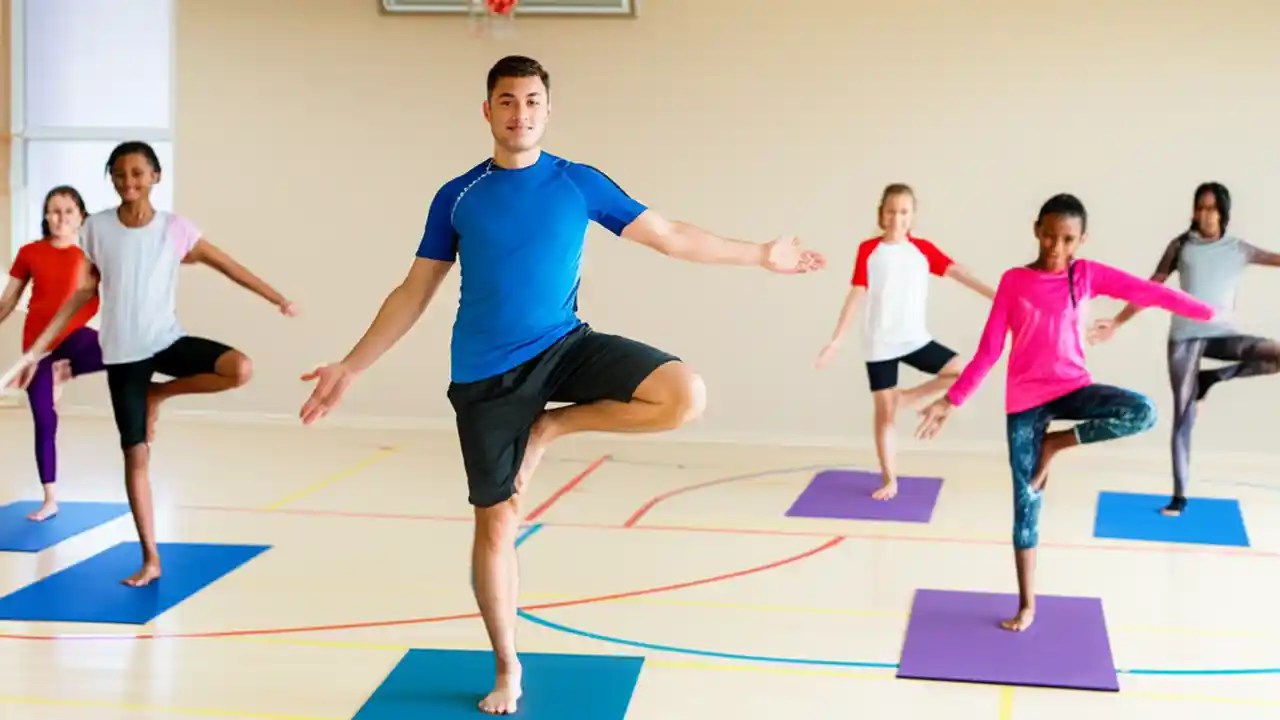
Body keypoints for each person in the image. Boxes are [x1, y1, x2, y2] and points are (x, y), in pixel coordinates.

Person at [297, 55, 825, 715]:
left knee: (684, 394)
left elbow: (668, 236)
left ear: (549, 110)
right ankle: (507, 665)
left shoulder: (579, 183)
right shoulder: (458, 195)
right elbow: (414, 291)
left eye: (533, 100)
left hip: (563, 346)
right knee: (498, 523)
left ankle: (554, 425)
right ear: (487, 111)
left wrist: (760, 255)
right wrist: (352, 364)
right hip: (486, 375)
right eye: (508, 101)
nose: (521, 112)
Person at [915, 193, 1215, 632]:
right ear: (1037, 229)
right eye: (1050, 235)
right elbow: (989, 351)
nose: (1056, 247)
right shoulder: (1014, 281)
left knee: (1143, 411)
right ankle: (1026, 606)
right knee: (1026, 503)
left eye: (1068, 239)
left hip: (1073, 389)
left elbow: (1147, 291)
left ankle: (1057, 443)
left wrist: (1206, 311)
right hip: (1025, 401)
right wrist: (951, 399)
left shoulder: (1086, 275)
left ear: (1082, 239)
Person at [12, 141, 297, 587]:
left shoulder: (175, 229)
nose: (129, 182)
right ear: (111, 178)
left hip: (166, 341)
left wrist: (275, 296)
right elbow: (83, 294)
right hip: (123, 354)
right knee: (136, 457)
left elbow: (227, 265)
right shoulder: (97, 229)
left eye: (138, 173)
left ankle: (159, 393)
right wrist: (37, 350)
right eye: (120, 174)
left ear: (155, 177)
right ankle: (150, 558)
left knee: (240, 368)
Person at [1089, 182, 1280, 516]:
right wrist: (1119, 321)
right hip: (1185, 337)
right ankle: (1179, 497)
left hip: (1223, 334)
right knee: (1183, 413)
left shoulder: (1239, 249)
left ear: (1223, 212)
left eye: (1211, 208)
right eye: (1200, 207)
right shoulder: (1180, 246)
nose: (1204, 214)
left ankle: (1213, 378)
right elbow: (1151, 287)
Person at [816, 183, 995, 500]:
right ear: (881, 215)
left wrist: (998, 297)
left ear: (912, 216)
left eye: (903, 212)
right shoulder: (869, 250)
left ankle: (907, 398)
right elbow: (856, 295)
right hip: (879, 341)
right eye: (891, 212)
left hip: (914, 339)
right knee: (884, 416)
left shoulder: (923, 250)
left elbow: (960, 274)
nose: (897, 219)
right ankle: (889, 479)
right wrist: (836, 340)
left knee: (962, 370)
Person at [0, 185, 103, 521]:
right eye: (53, 210)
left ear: (80, 216)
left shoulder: (92, 255)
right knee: (45, 421)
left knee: (113, 347)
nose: (60, 217)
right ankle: (49, 498)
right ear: (45, 215)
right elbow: (10, 299)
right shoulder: (30, 252)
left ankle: (67, 368)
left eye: (68, 211)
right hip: (37, 348)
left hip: (74, 337)